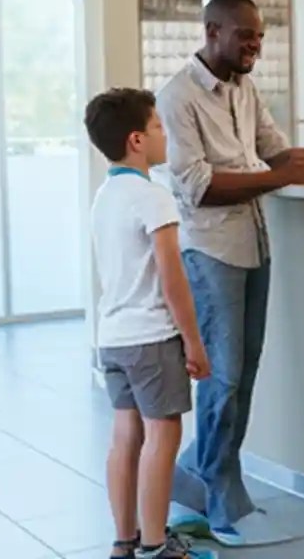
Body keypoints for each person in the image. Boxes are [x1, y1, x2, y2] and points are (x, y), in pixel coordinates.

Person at [157, 0, 304, 546]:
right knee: (223, 376)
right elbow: (200, 186)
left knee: (244, 375)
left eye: (260, 36)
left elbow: (277, 156)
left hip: (254, 246)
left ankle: (202, 480)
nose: (256, 45)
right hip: (210, 251)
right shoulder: (177, 96)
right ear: (213, 32)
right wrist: (282, 177)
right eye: (246, 36)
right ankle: (217, 492)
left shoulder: (245, 89)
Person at [85, 88, 214, 559]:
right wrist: (194, 343)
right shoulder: (152, 197)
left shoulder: (105, 196)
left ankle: (125, 541)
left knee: (125, 434)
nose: (166, 135)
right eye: (159, 127)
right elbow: (173, 278)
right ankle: (157, 545)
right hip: (151, 337)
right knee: (163, 434)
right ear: (137, 140)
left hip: (113, 337)